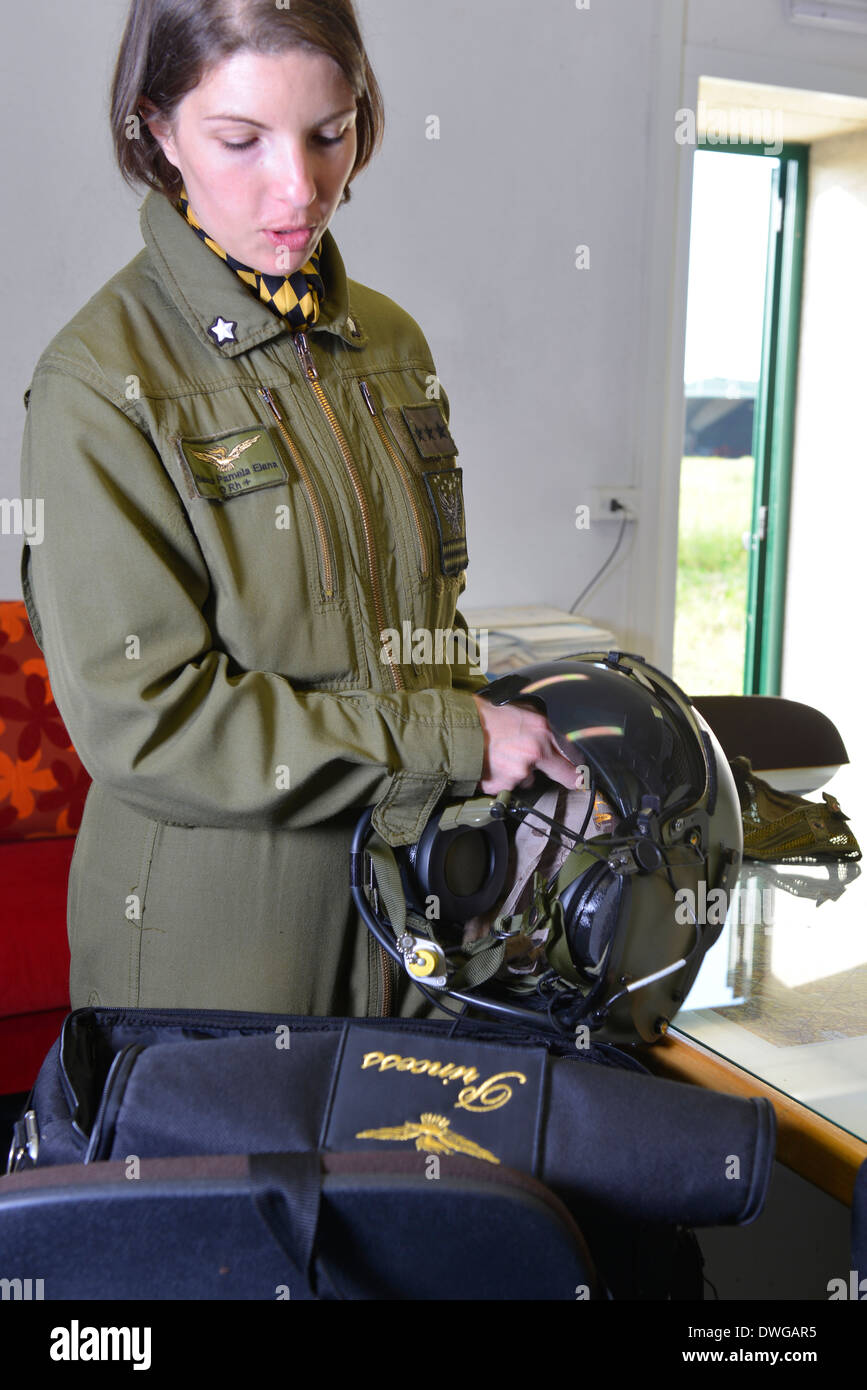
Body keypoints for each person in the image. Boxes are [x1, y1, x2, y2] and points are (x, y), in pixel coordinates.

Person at [19, 0, 577, 1019]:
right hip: (217, 963)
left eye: (332, 133)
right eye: (241, 141)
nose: (302, 187)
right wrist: (451, 740)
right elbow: (149, 723)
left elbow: (417, 633)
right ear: (158, 130)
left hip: (412, 928)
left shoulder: (391, 343)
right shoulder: (98, 383)